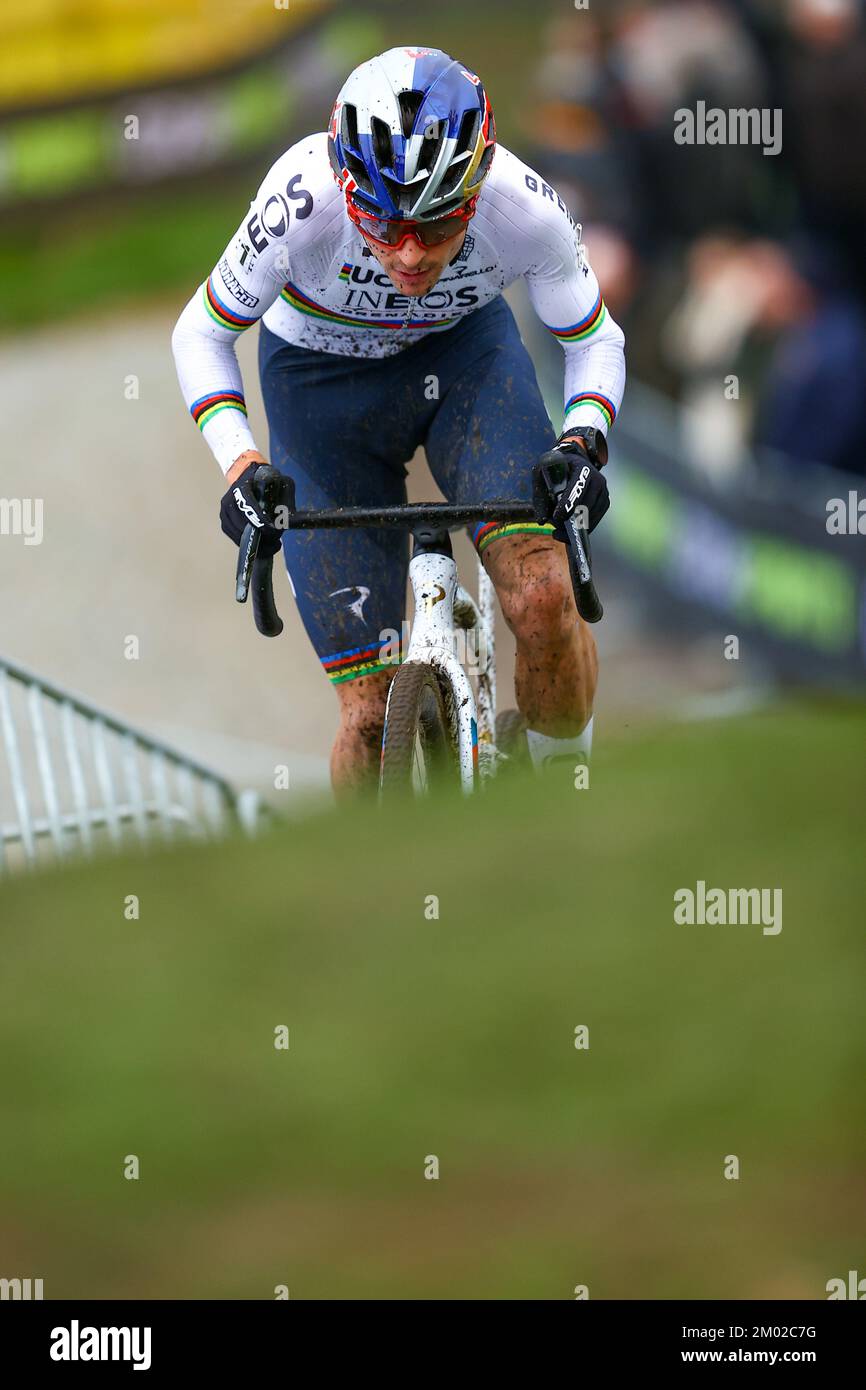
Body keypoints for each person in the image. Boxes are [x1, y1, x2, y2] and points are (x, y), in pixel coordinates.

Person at [172, 46, 625, 792]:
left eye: (440, 224)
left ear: (476, 191)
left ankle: (563, 792)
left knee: (544, 592)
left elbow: (595, 338)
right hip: (321, 393)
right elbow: (202, 332)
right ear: (347, 189)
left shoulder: (526, 208)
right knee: (370, 717)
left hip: (465, 365)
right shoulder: (299, 201)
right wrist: (243, 466)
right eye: (384, 225)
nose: (411, 253)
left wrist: (583, 442)